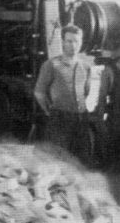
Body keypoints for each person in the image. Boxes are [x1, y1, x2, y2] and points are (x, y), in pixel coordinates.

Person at [34, 24, 102, 165]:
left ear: (81, 42)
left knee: (81, 161)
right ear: (63, 42)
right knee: (57, 161)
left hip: (81, 119)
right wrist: (49, 110)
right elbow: (39, 92)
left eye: (76, 41)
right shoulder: (51, 65)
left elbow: (87, 92)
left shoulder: (87, 66)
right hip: (59, 119)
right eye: (69, 41)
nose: (73, 45)